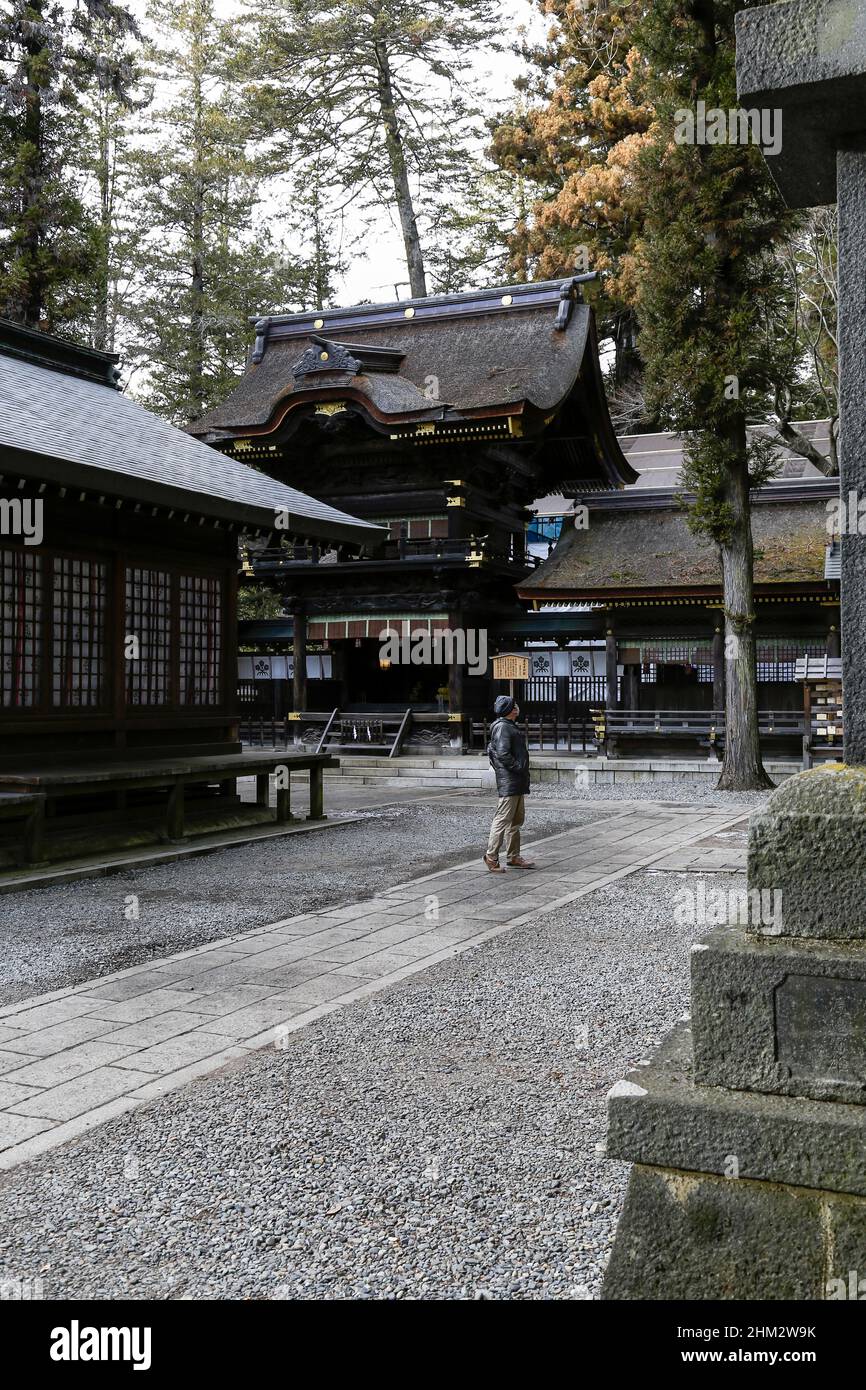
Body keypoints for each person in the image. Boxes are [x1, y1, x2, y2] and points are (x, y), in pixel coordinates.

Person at [484, 694, 534, 871]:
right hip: (510, 779)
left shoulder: (508, 726)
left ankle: (513, 856)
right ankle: (491, 856)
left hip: (515, 780)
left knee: (515, 821)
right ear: (510, 710)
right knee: (502, 819)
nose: (517, 708)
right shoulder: (503, 728)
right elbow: (503, 753)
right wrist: (518, 767)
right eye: (514, 706)